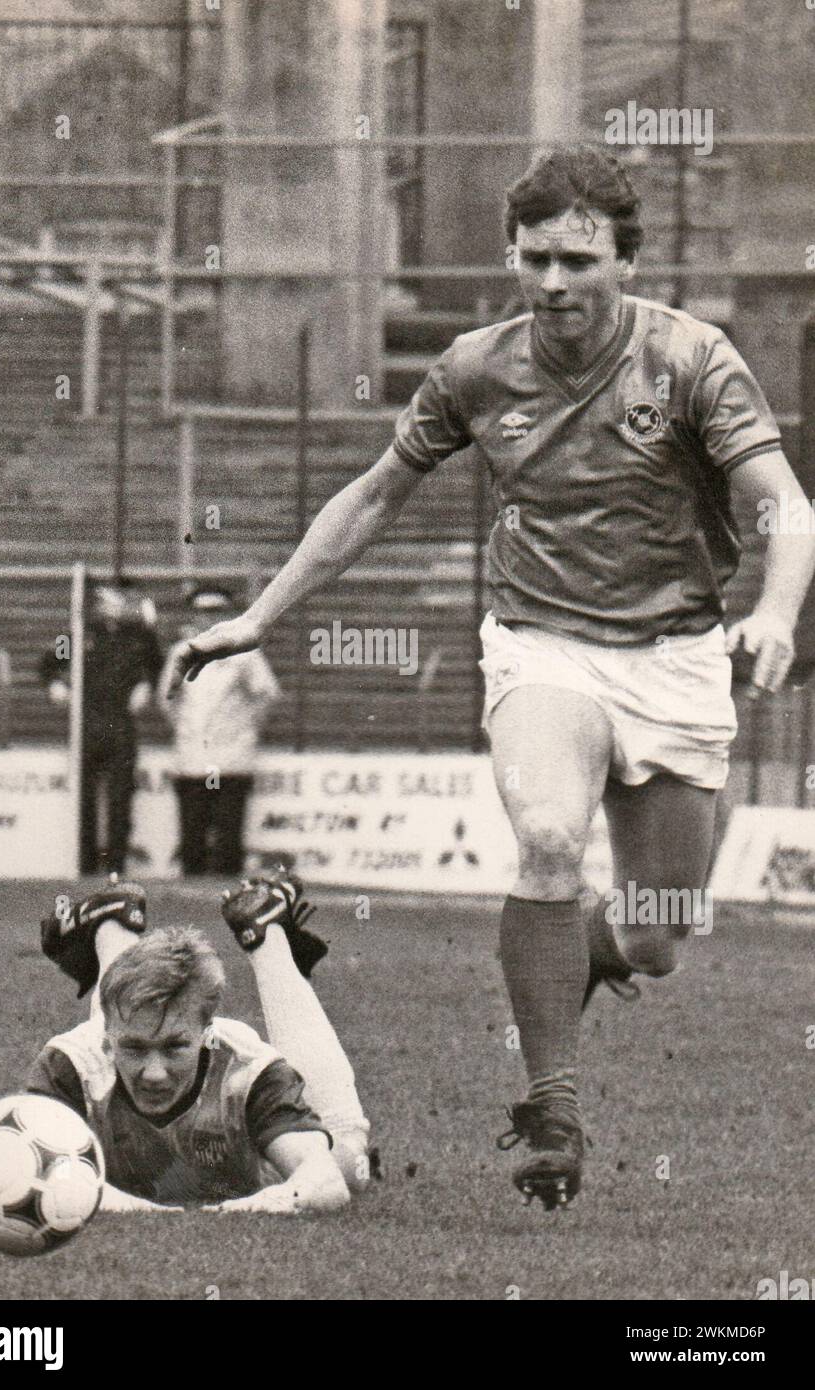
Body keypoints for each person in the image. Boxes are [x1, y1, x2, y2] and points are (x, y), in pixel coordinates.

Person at [164, 146, 815, 1210]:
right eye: (533, 259)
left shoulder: (693, 359)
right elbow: (374, 497)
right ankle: (551, 1110)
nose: (553, 282)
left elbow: (785, 502)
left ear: (624, 258)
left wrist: (777, 610)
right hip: (541, 642)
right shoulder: (475, 366)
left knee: (657, 937)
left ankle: (588, 953)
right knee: (550, 836)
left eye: (577, 259)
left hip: (679, 655)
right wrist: (257, 615)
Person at [32, 870, 368, 1213]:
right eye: (133, 1049)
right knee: (130, 1007)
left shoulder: (250, 1073)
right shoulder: (71, 1063)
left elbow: (326, 1180)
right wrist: (131, 1207)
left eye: (175, 1048)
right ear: (108, 1038)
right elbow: (33, 1167)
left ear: (208, 1033)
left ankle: (267, 933)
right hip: (109, 1046)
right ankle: (111, 921)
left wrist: (273, 1201)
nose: (154, 1074)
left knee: (349, 1162)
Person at [40, 578, 163, 874]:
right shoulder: (79, 635)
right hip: (87, 724)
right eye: (107, 600)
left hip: (121, 724)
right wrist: (56, 686)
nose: (113, 607)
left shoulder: (141, 637)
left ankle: (116, 866)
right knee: (85, 799)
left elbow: (161, 668)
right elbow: (47, 665)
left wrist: (147, 686)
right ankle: (85, 864)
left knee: (120, 799)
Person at [159, 586, 281, 876]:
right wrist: (186, 730)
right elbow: (168, 699)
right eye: (202, 612)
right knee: (192, 840)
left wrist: (245, 729)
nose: (208, 619)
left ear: (226, 614)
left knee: (229, 841)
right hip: (192, 758)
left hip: (231, 759)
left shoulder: (245, 654)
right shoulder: (181, 652)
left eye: (215, 612)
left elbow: (266, 695)